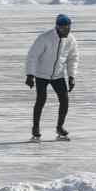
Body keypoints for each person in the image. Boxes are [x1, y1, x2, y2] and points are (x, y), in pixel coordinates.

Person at [25, 13, 79, 141]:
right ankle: (35, 127)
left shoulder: (71, 39)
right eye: (62, 28)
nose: (65, 31)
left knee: (64, 100)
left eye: (67, 28)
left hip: (58, 75)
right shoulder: (45, 38)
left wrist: (71, 76)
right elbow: (32, 56)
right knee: (41, 100)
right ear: (56, 27)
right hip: (41, 74)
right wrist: (30, 75)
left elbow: (73, 59)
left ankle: (60, 126)